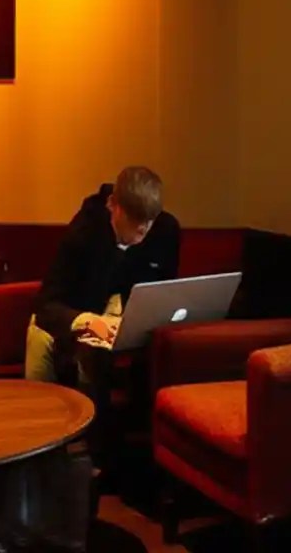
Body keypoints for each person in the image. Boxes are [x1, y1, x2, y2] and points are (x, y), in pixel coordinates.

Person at [27, 166, 180, 471]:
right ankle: (39, 449)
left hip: (131, 317)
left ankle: (117, 460)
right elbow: (47, 303)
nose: (142, 230)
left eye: (148, 222)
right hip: (80, 311)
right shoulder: (85, 231)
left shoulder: (165, 231)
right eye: (135, 220)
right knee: (43, 340)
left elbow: (164, 290)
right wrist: (86, 320)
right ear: (113, 205)